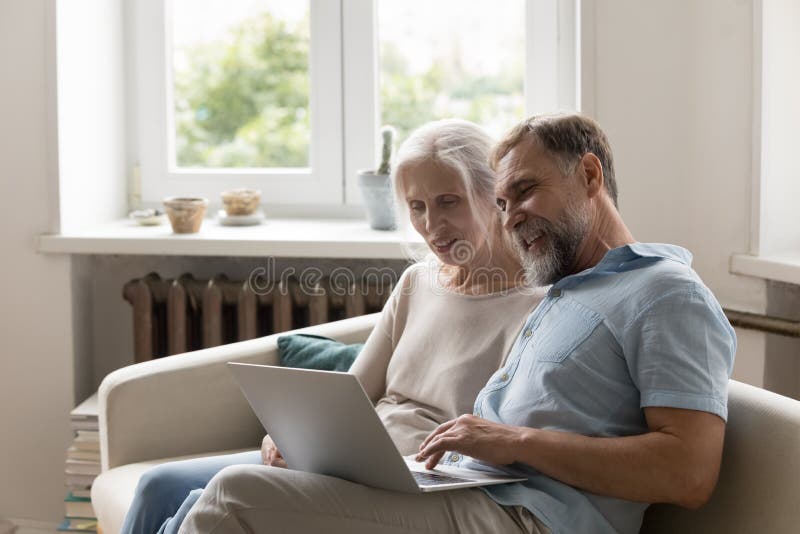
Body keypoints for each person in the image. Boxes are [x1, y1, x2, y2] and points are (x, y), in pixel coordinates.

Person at [180, 113, 735, 534]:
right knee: (206, 496)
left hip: (527, 517)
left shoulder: (665, 292)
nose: (510, 215)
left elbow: (689, 473)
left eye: (525, 191)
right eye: (501, 200)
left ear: (589, 175)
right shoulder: (569, 292)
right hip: (464, 489)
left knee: (234, 496)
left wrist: (513, 440)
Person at [119, 119, 543, 534]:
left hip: (407, 483)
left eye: (448, 201)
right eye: (417, 207)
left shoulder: (536, 306)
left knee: (207, 500)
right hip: (346, 461)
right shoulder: (418, 281)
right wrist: (289, 437)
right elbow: (354, 391)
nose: (431, 225)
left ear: (494, 195)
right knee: (158, 487)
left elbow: (500, 440)